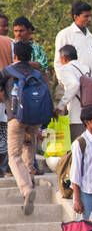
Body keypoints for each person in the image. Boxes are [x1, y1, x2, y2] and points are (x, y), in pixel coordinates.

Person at [2, 40, 49, 214]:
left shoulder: (7, 71)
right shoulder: (36, 73)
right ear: (30, 56)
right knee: (28, 147)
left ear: (14, 55)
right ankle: (30, 178)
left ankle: (26, 188)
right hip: (35, 119)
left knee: (14, 155)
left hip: (16, 118)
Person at [55, 1, 92, 75]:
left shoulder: (90, 36)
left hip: (91, 80)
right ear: (75, 17)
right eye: (86, 16)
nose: (90, 19)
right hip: (75, 80)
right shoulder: (65, 34)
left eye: (90, 16)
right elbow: (59, 62)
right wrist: (64, 81)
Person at [54, 45, 86, 139]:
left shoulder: (66, 68)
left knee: (78, 148)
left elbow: (74, 85)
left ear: (63, 58)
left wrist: (61, 106)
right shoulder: (88, 69)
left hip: (78, 115)